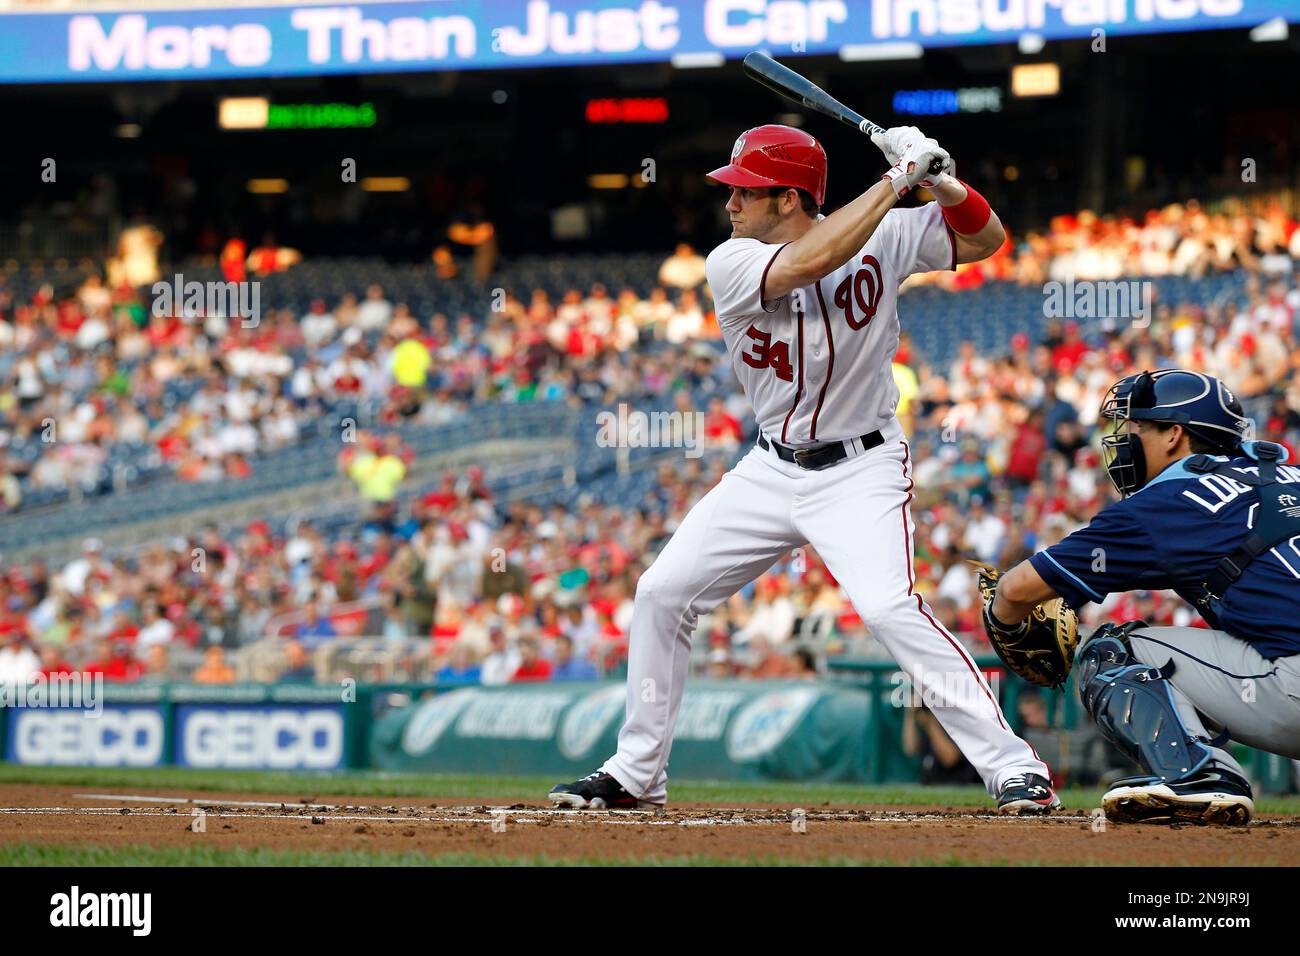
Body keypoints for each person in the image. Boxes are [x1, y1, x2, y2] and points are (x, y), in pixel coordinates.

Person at [551, 123, 1057, 814]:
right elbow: (806, 264)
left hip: (862, 466)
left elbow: (985, 239)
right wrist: (897, 181)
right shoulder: (729, 261)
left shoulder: (888, 230)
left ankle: (1013, 767)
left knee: (887, 608)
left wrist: (941, 181)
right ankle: (636, 772)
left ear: (789, 198)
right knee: (660, 593)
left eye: (747, 192)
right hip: (770, 468)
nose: (730, 204)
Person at [986, 369, 1300, 825]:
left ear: (1174, 434)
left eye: (1137, 428)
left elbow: (1015, 590)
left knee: (1112, 652)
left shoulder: (1169, 499)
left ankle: (1198, 775)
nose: (1126, 440)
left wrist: (1002, 619)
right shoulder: (1288, 472)